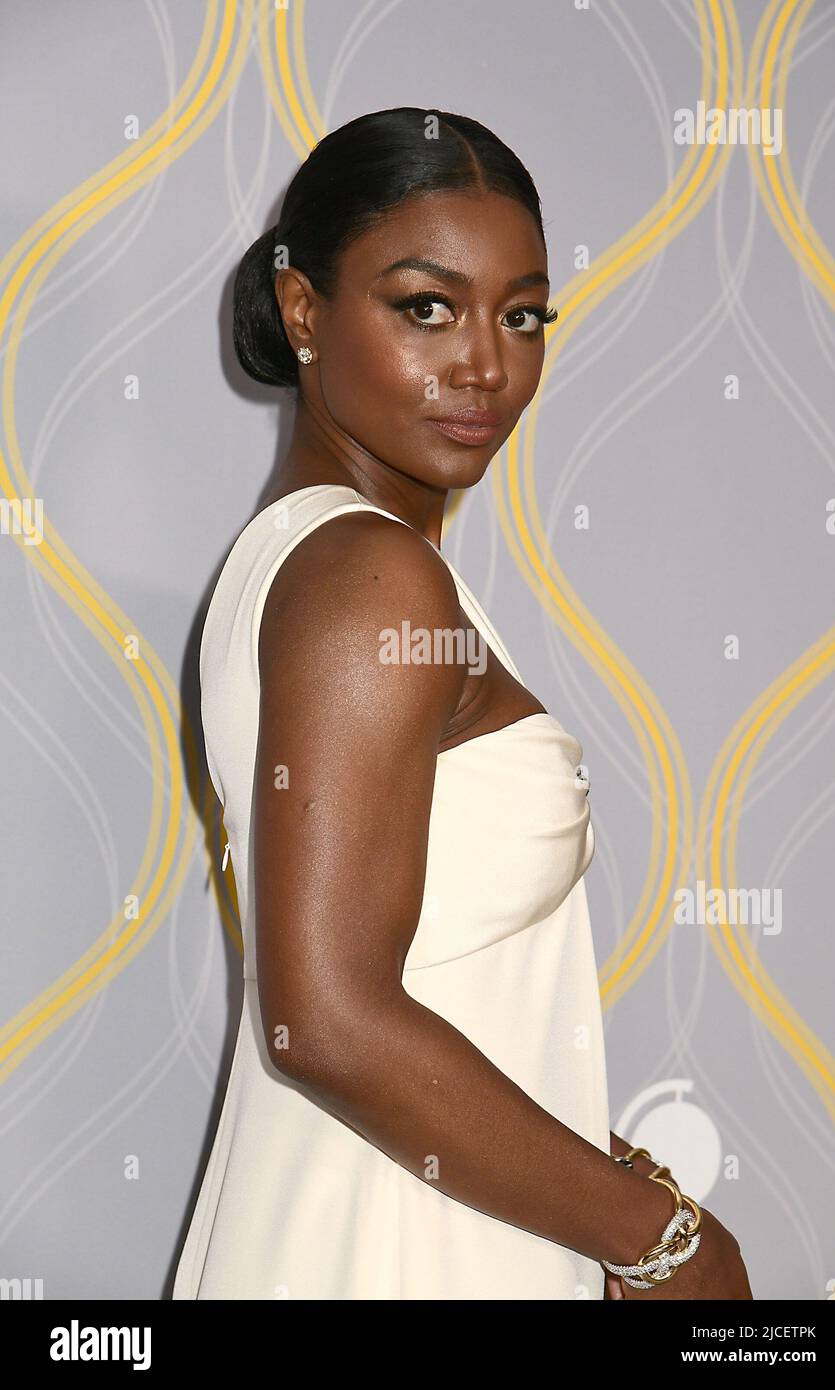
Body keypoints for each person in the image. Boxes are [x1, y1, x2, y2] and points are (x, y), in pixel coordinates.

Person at [172, 106, 752, 1301]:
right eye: (426, 307)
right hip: (394, 1249)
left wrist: (610, 1181)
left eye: (521, 315)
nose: (486, 363)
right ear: (302, 312)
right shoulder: (368, 575)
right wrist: (661, 1239)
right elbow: (325, 1019)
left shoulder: (305, 559)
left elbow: (423, 1001)